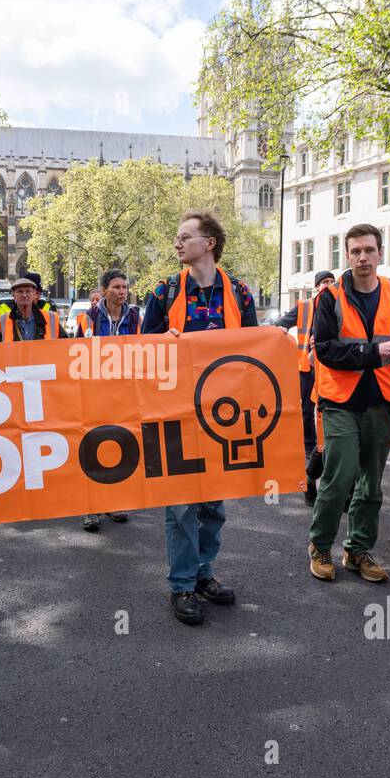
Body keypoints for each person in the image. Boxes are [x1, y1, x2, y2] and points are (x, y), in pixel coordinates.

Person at [141, 210, 257, 625]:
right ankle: (182, 585)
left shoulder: (240, 294)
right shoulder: (164, 290)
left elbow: (254, 353)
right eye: (177, 237)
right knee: (181, 508)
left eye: (184, 236)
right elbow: (141, 347)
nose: (177, 243)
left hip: (221, 417)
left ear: (208, 243)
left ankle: (204, 573)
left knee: (213, 505)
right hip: (173, 414)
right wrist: (161, 340)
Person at [306, 224, 390, 585]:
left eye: (369, 250)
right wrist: (374, 352)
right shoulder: (329, 297)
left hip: (381, 400)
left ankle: (357, 550)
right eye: (355, 251)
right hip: (339, 400)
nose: (363, 257)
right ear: (347, 255)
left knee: (371, 484)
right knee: (339, 478)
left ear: (380, 253)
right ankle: (321, 546)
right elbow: (323, 349)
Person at [78, 269, 141, 532]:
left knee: (119, 443)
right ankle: (90, 507)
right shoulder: (88, 318)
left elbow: (146, 348)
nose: (122, 291)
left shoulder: (136, 317)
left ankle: (115, 502)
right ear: (104, 290)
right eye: (116, 287)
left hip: (123, 391)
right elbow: (76, 352)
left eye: (125, 287)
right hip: (94, 390)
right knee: (92, 444)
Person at [274, 270, 336, 460]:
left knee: (331, 408)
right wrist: (283, 333)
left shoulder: (341, 304)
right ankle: (310, 446)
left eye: (331, 281)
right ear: (317, 287)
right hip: (307, 367)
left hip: (331, 366)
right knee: (307, 409)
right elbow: (280, 323)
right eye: (324, 282)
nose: (328, 284)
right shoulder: (305, 307)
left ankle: (330, 446)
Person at [0, 272, 62, 341]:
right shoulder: (3, 320)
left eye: (28, 291)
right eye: (20, 291)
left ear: (34, 293)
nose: (24, 295)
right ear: (13, 295)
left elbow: (66, 346)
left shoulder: (52, 318)